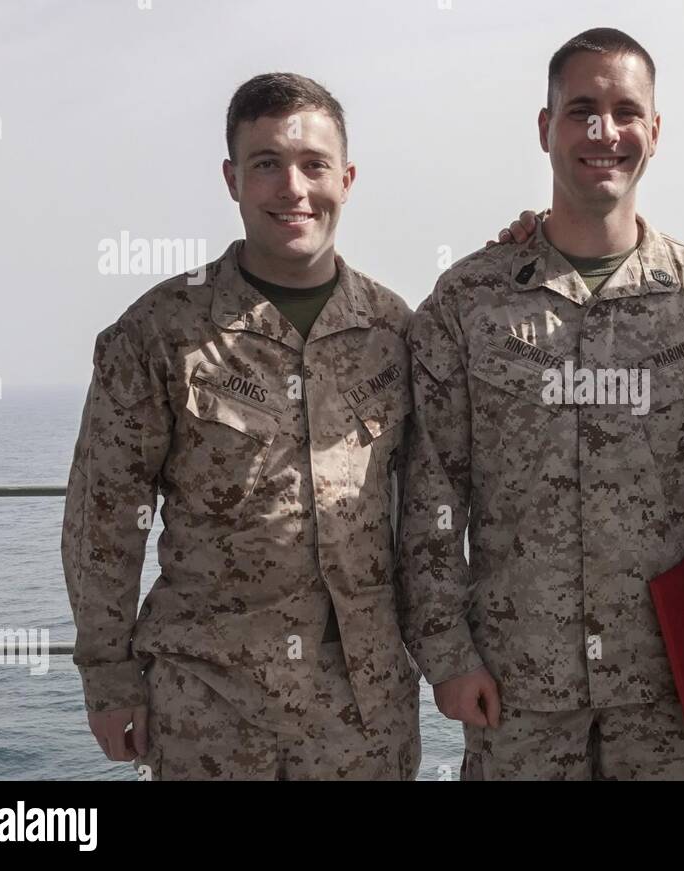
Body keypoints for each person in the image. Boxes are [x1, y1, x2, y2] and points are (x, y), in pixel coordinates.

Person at [398, 28, 684, 780]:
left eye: (624, 111)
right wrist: (446, 652)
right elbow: (431, 493)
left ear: (655, 132)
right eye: (581, 111)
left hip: (668, 686)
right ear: (546, 129)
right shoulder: (469, 301)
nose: (604, 132)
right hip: (516, 690)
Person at [61, 72, 420, 780]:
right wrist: (107, 675)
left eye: (314, 164)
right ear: (232, 179)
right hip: (212, 714)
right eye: (266, 164)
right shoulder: (159, 334)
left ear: (346, 178)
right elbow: (103, 517)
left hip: (365, 717)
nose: (293, 187)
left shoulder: (395, 330)